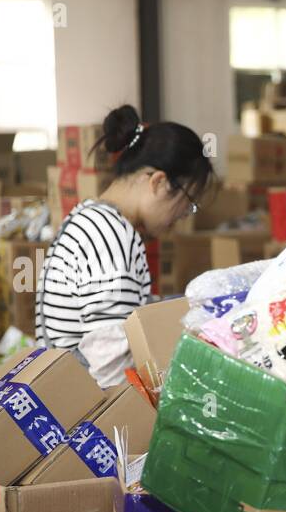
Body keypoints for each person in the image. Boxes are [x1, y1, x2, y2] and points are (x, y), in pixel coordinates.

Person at [35, 105, 214, 363]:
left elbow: (125, 316)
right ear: (159, 183)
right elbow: (111, 364)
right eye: (187, 203)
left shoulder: (92, 217)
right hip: (91, 398)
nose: (181, 217)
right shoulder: (110, 236)